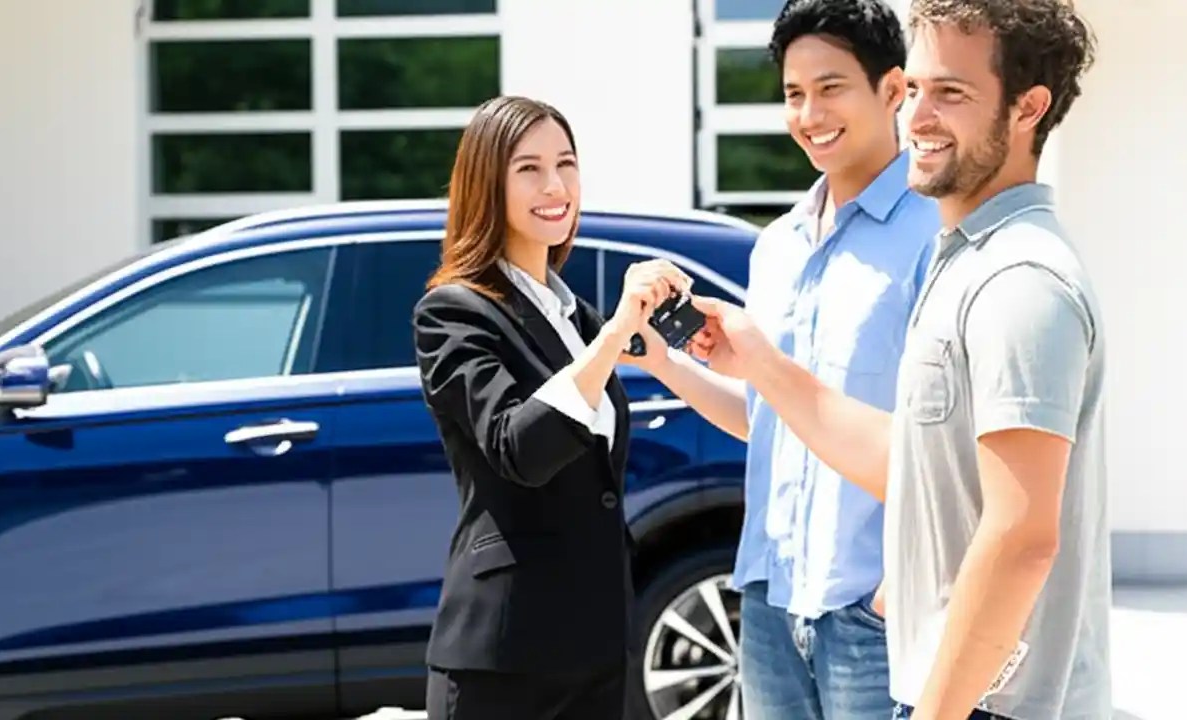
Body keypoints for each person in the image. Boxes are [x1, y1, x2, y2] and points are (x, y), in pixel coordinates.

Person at [688, 0, 1107, 718]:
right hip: (878, 645)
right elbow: (909, 456)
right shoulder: (965, 262)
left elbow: (1021, 537)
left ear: (1028, 107)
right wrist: (736, 364)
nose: (916, 117)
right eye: (915, 89)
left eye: (951, 92)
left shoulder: (1019, 280)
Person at [622, 1, 938, 717]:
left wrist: (895, 593)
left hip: (872, 610)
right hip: (769, 603)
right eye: (794, 94)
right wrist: (669, 365)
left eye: (831, 88)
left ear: (892, 91)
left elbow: (941, 452)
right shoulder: (779, 247)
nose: (809, 113)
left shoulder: (934, 238)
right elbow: (766, 422)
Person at [412, 95, 691, 720]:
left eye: (566, 164)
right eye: (529, 168)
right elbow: (519, 447)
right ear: (488, 184)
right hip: (504, 662)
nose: (556, 185)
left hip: (593, 652)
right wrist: (613, 337)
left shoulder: (573, 317)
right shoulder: (455, 313)